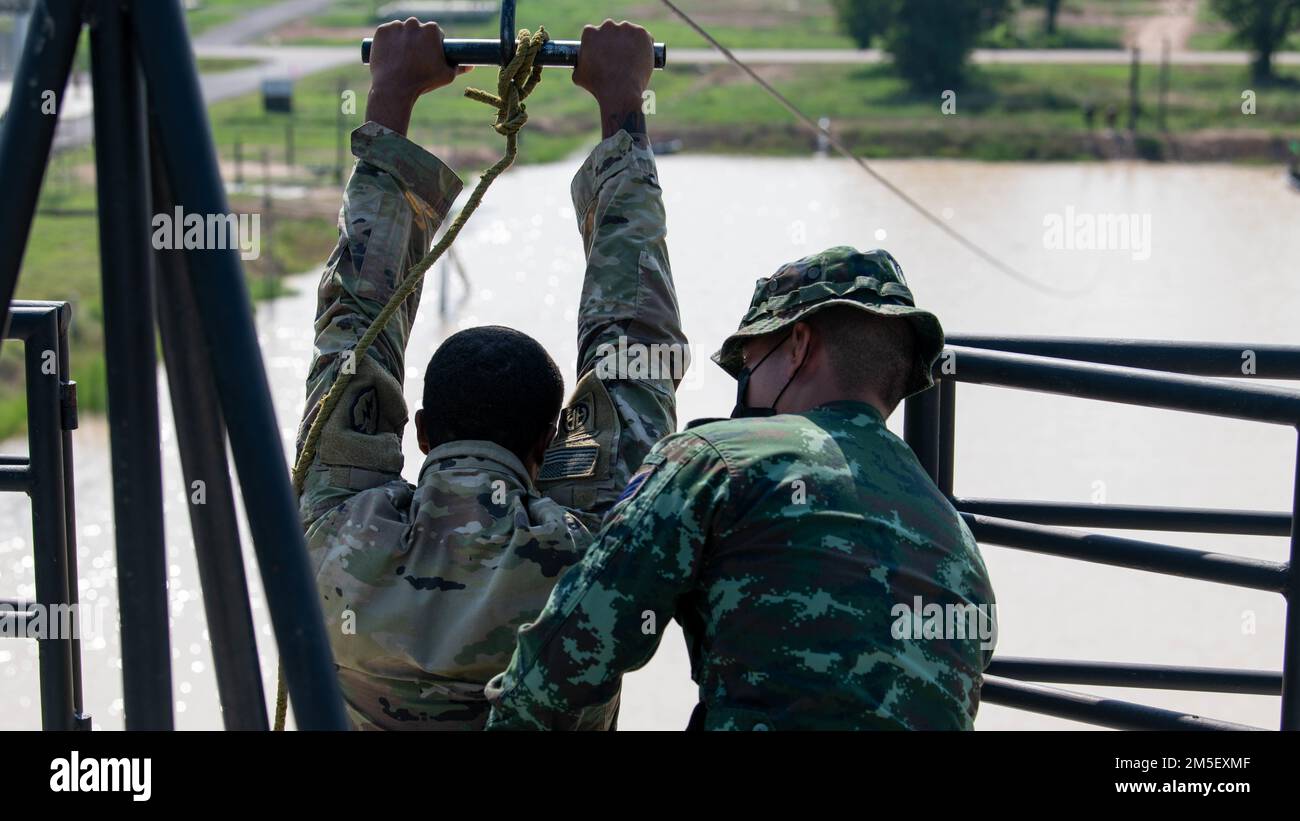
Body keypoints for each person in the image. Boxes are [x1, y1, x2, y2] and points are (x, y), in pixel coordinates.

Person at [297, 17, 683, 729]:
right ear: (548, 450)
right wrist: (624, 108)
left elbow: (354, 328)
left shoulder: (333, 539)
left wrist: (389, 98)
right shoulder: (585, 561)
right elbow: (634, 348)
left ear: (419, 433)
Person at [485, 247, 997, 730]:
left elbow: (569, 658)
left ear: (798, 346)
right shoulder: (957, 541)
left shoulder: (714, 460)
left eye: (747, 364)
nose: (744, 387)